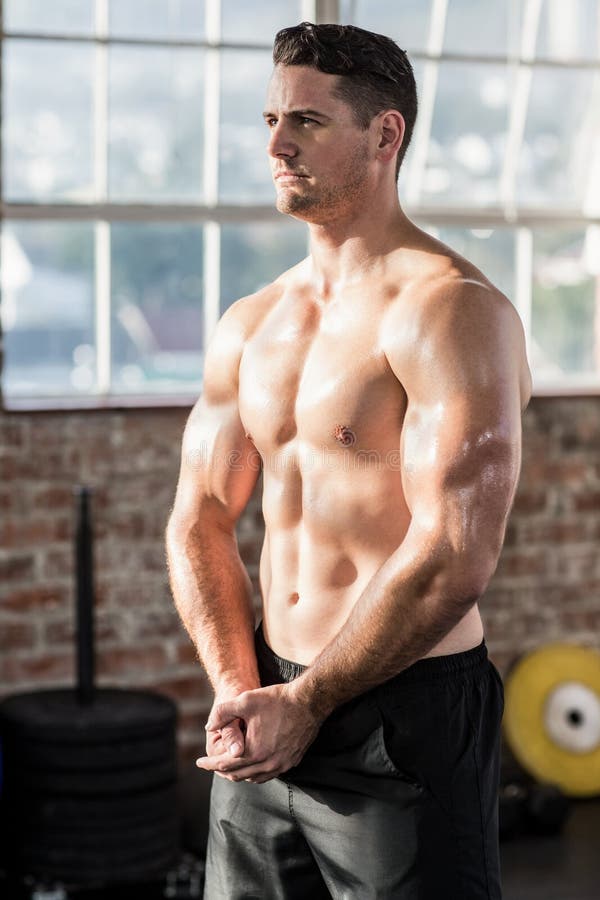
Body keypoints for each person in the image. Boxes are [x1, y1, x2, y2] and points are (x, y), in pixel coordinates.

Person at [166, 20, 531, 900]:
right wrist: (239, 687)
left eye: (308, 121)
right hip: (261, 703)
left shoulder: (451, 311)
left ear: (385, 134)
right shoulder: (252, 323)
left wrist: (313, 701)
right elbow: (201, 518)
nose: (276, 144)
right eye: (269, 120)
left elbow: (454, 554)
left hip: (398, 714)